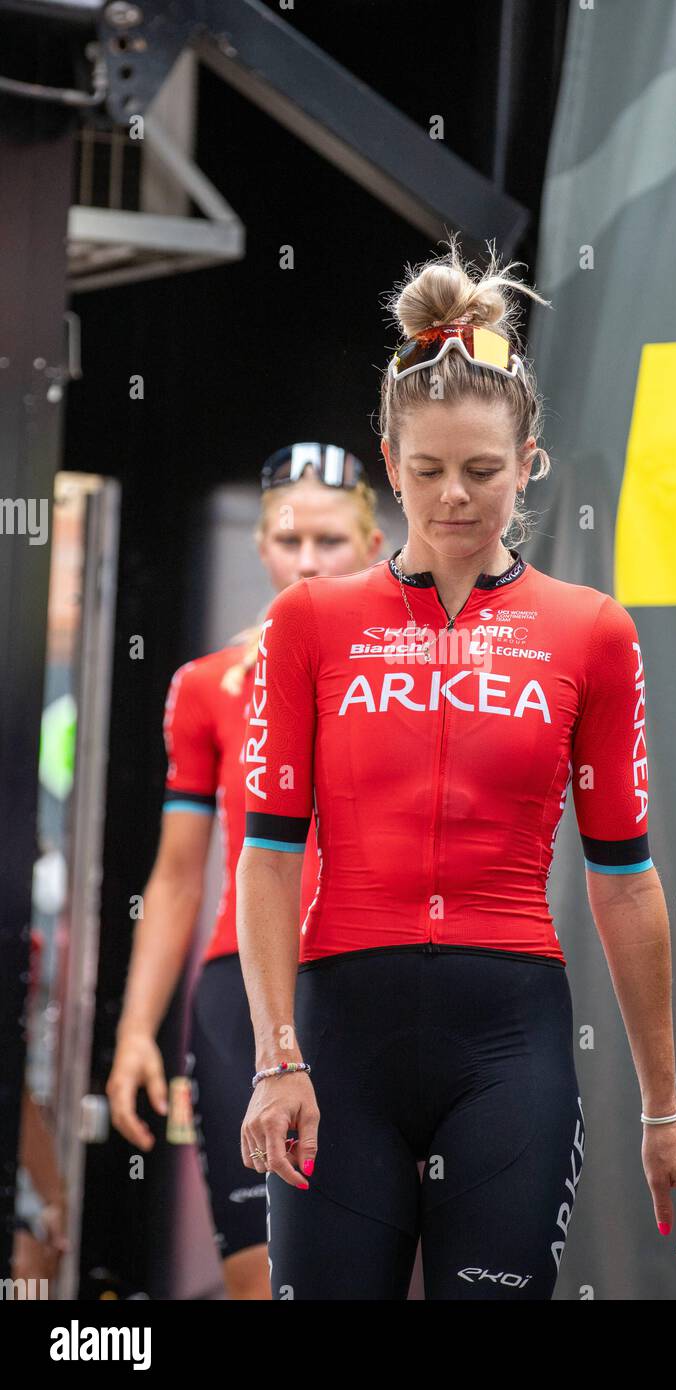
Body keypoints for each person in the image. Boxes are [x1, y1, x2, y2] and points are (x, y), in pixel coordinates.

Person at [236, 237, 676, 1301]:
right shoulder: (310, 622)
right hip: (338, 1036)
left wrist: (665, 1108)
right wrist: (278, 1056)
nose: (453, 497)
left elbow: (626, 877)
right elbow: (269, 856)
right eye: (425, 471)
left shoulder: (589, 630)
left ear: (531, 460)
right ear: (386, 455)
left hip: (508, 1041)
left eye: (482, 470)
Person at [107, 446, 383, 1299]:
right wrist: (132, 1032)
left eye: (331, 541)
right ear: (261, 545)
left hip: (374, 982)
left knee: (370, 1267)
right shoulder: (207, 686)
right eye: (289, 540)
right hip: (242, 993)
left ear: (375, 544)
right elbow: (179, 876)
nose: (307, 560)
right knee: (262, 1277)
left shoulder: (410, 674)